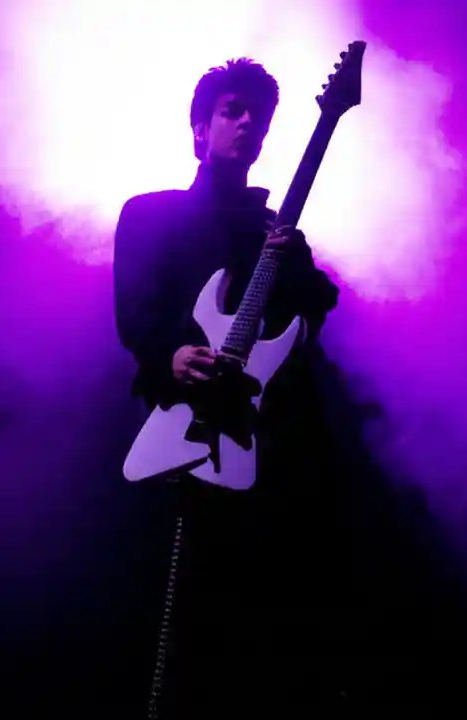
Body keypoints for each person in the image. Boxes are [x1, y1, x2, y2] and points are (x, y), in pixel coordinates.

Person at [112, 58, 346, 718]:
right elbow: (132, 312)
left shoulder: (274, 232)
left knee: (240, 631)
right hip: (166, 433)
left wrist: (293, 262)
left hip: (253, 446)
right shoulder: (150, 216)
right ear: (199, 128)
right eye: (232, 110)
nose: (248, 123)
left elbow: (316, 315)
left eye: (260, 117)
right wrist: (169, 358)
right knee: (147, 611)